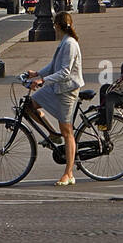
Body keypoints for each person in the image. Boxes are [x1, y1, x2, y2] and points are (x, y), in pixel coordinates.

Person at [23, 12, 85, 186]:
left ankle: (69, 173)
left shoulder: (70, 44)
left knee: (67, 132)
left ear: (57, 26)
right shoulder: (65, 42)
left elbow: (65, 72)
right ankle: (51, 133)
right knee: (30, 104)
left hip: (67, 90)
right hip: (57, 87)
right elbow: (53, 65)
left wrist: (43, 80)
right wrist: (37, 74)